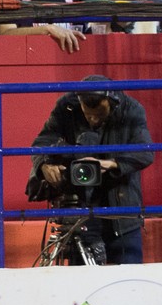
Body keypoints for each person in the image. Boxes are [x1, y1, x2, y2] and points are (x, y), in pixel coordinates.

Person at [27, 74, 154, 264]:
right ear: (80, 103)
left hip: (121, 210)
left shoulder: (131, 109)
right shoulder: (67, 106)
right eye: (88, 115)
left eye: (100, 115)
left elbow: (145, 152)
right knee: (82, 279)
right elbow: (41, 143)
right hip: (79, 207)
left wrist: (110, 164)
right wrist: (45, 165)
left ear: (113, 103)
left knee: (128, 276)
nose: (94, 120)